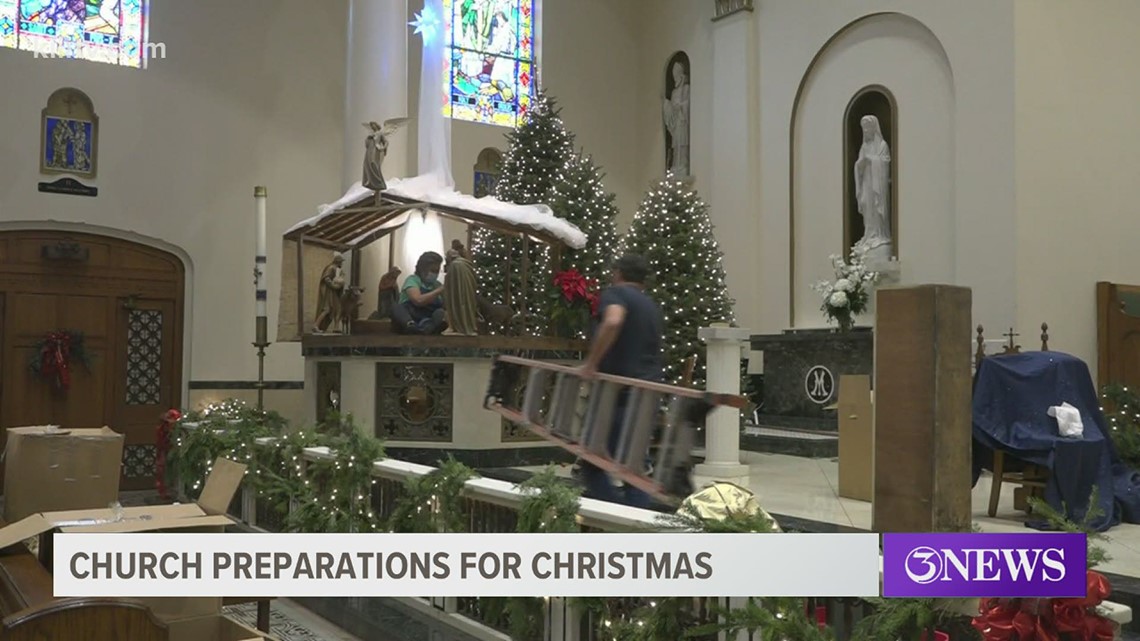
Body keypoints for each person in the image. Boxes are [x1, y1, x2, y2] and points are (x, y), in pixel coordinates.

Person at [576, 254, 664, 508]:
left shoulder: (616, 295)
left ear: (617, 273)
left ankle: (618, 518)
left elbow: (613, 320)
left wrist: (591, 363)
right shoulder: (650, 305)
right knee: (633, 468)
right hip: (648, 392)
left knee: (593, 462)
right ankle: (636, 521)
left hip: (618, 394)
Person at [392, 251, 448, 335]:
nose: (435, 274)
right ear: (422, 269)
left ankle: (429, 327)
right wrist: (439, 291)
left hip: (428, 319)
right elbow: (418, 300)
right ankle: (411, 326)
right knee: (396, 308)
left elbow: (445, 305)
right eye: (433, 270)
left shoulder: (437, 285)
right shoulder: (412, 280)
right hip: (410, 317)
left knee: (440, 312)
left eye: (437, 271)